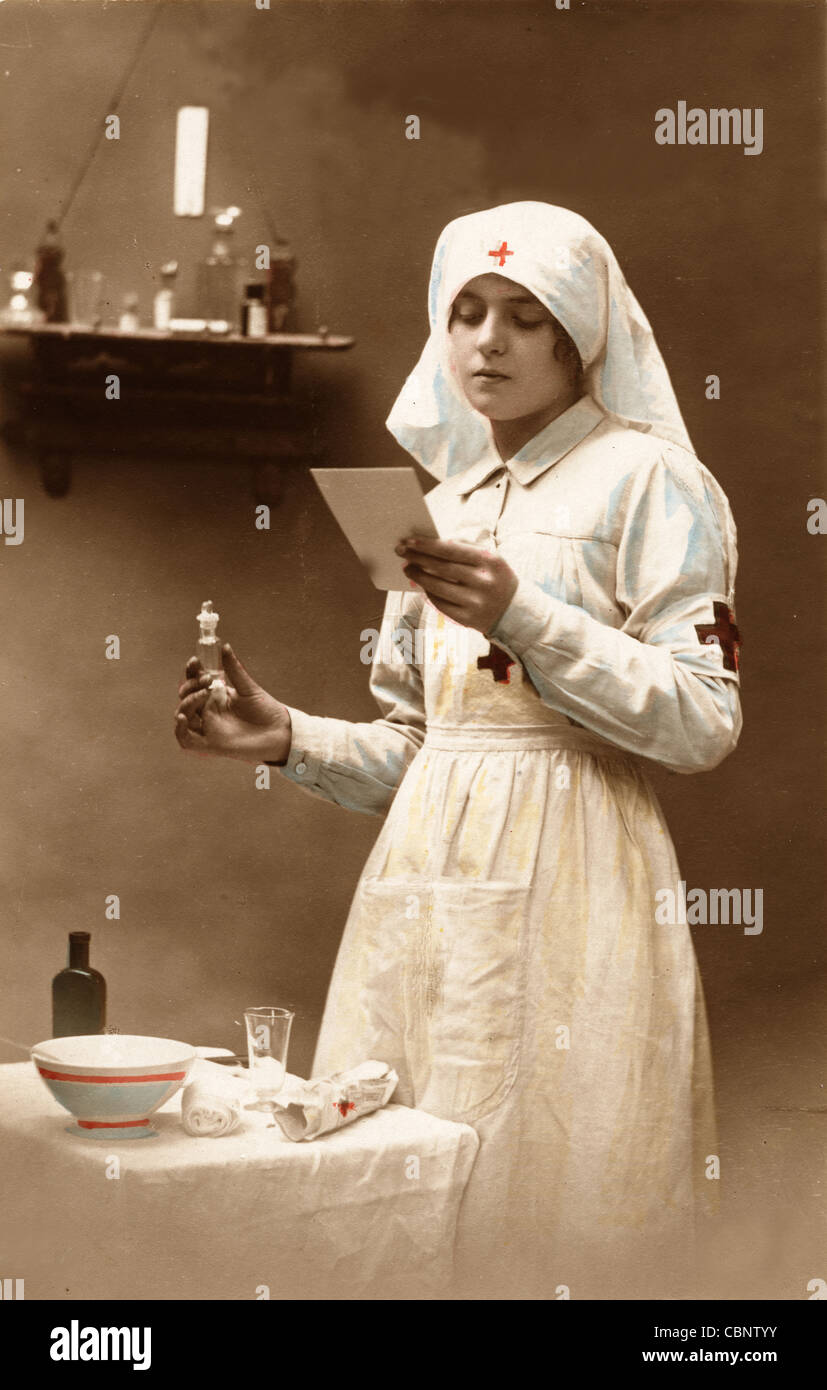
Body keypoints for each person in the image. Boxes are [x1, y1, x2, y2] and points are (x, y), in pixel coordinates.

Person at [175, 202, 742, 1300]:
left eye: (525, 317)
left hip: (580, 883)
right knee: (403, 1188)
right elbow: (424, 747)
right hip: (424, 898)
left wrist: (528, 615)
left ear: (578, 337)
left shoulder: (649, 480)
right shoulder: (438, 507)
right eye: (467, 313)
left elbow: (702, 720)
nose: (488, 340)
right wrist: (286, 735)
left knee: (559, 1188)